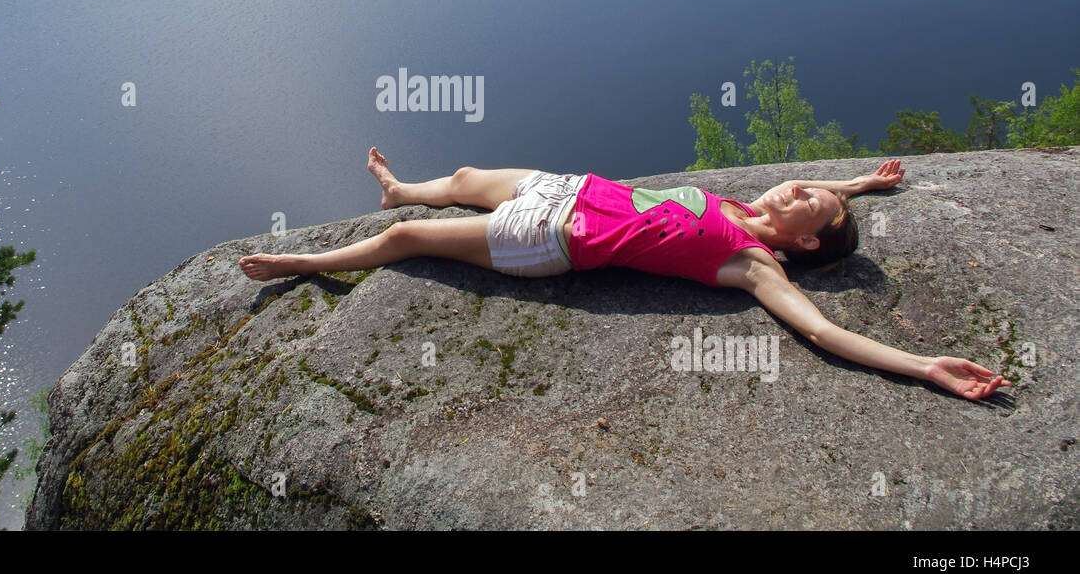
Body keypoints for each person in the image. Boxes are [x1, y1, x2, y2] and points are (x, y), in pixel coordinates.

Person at [238, 147, 1010, 401]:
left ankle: (305, 264)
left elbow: (821, 329)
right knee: (465, 174)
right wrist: (861, 187)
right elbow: (826, 197)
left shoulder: (751, 261)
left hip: (553, 234)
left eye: (809, 198)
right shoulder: (760, 208)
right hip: (570, 188)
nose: (800, 187)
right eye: (805, 185)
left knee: (409, 239)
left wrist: (924, 366)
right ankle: (399, 186)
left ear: (806, 246)